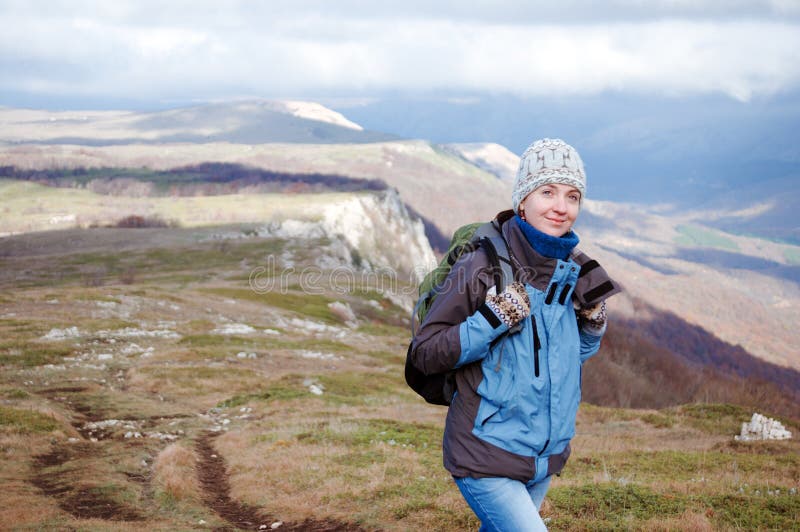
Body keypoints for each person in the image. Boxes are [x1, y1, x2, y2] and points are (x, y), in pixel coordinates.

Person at [410, 138, 621, 531]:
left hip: (541, 458)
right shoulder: (482, 265)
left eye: (572, 196)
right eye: (548, 192)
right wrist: (492, 319)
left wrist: (592, 328)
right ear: (523, 199)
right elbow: (425, 352)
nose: (561, 207)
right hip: (485, 454)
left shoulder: (573, 271)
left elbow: (564, 359)